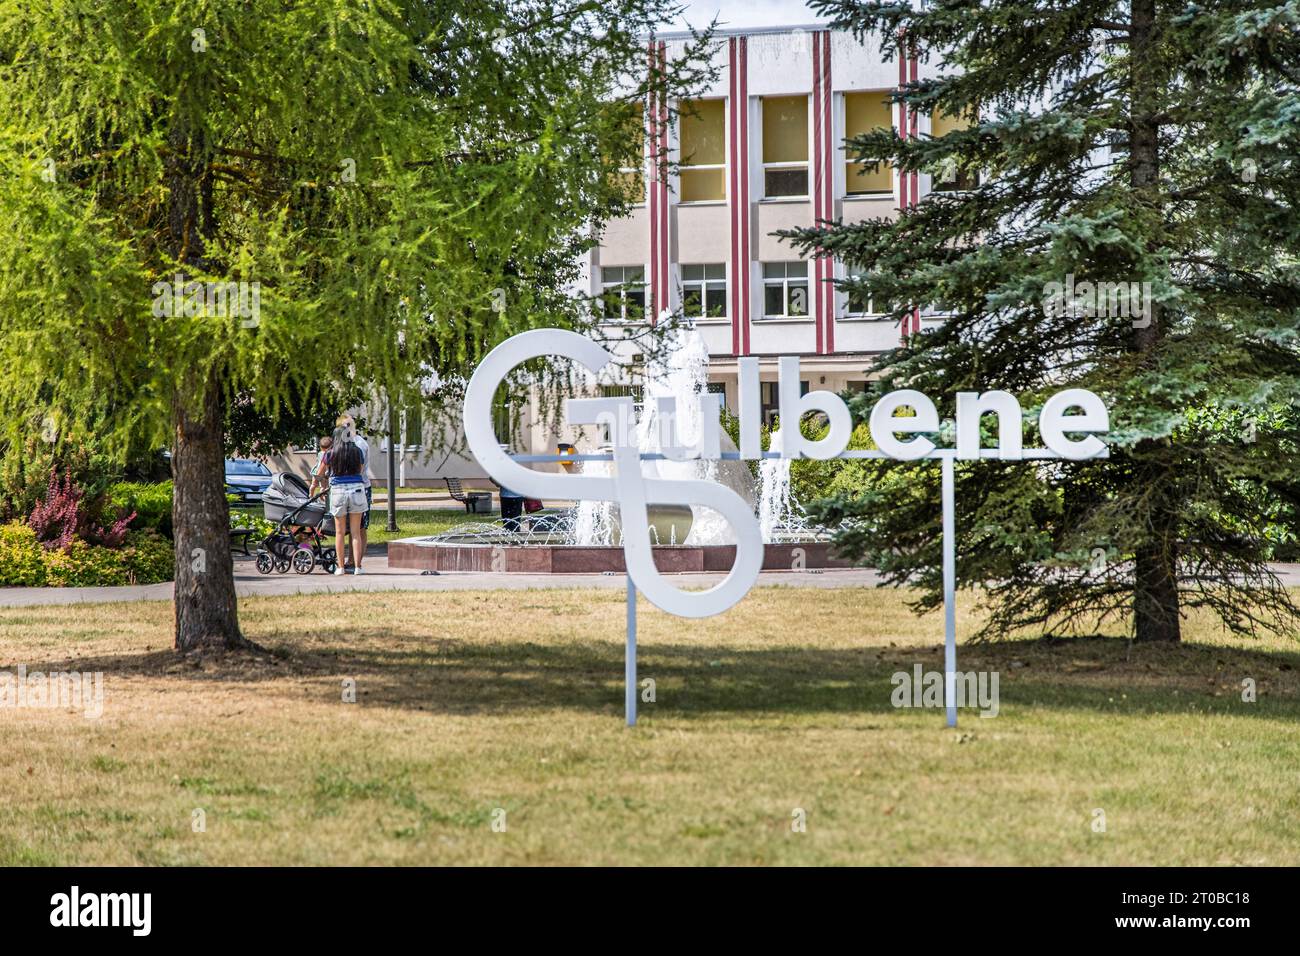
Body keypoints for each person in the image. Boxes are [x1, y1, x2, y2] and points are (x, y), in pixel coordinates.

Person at [322, 436, 367, 575]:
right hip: (357, 489)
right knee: (356, 532)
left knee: (340, 532)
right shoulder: (357, 451)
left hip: (338, 491)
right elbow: (360, 470)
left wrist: (319, 486)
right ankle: (358, 567)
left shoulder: (330, 453)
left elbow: (321, 472)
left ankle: (340, 567)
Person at [334, 414, 371, 567]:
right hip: (354, 487)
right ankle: (351, 563)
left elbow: (357, 470)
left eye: (349, 425)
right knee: (351, 528)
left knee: (359, 527)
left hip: (360, 487)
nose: (347, 429)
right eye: (344, 426)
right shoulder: (342, 445)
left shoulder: (359, 444)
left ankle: (356, 562)